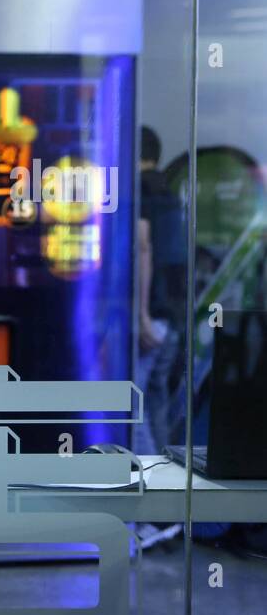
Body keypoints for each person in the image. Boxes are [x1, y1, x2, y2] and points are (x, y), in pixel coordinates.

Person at [135, 126, 185, 458]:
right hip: (172, 318)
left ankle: (146, 500)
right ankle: (169, 499)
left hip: (151, 319)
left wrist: (141, 316)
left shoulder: (139, 188)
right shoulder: (170, 192)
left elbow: (142, 246)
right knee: (156, 408)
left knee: (131, 411)